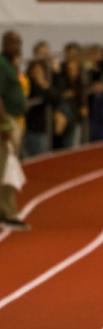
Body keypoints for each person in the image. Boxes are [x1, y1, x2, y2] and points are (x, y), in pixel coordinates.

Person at [0, 30, 27, 231]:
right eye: (12, 42)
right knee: (3, 169)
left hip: (13, 119)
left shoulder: (11, 65)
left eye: (18, 42)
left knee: (8, 169)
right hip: (6, 120)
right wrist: (4, 124)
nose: (16, 46)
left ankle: (8, 211)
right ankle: (6, 213)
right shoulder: (2, 65)